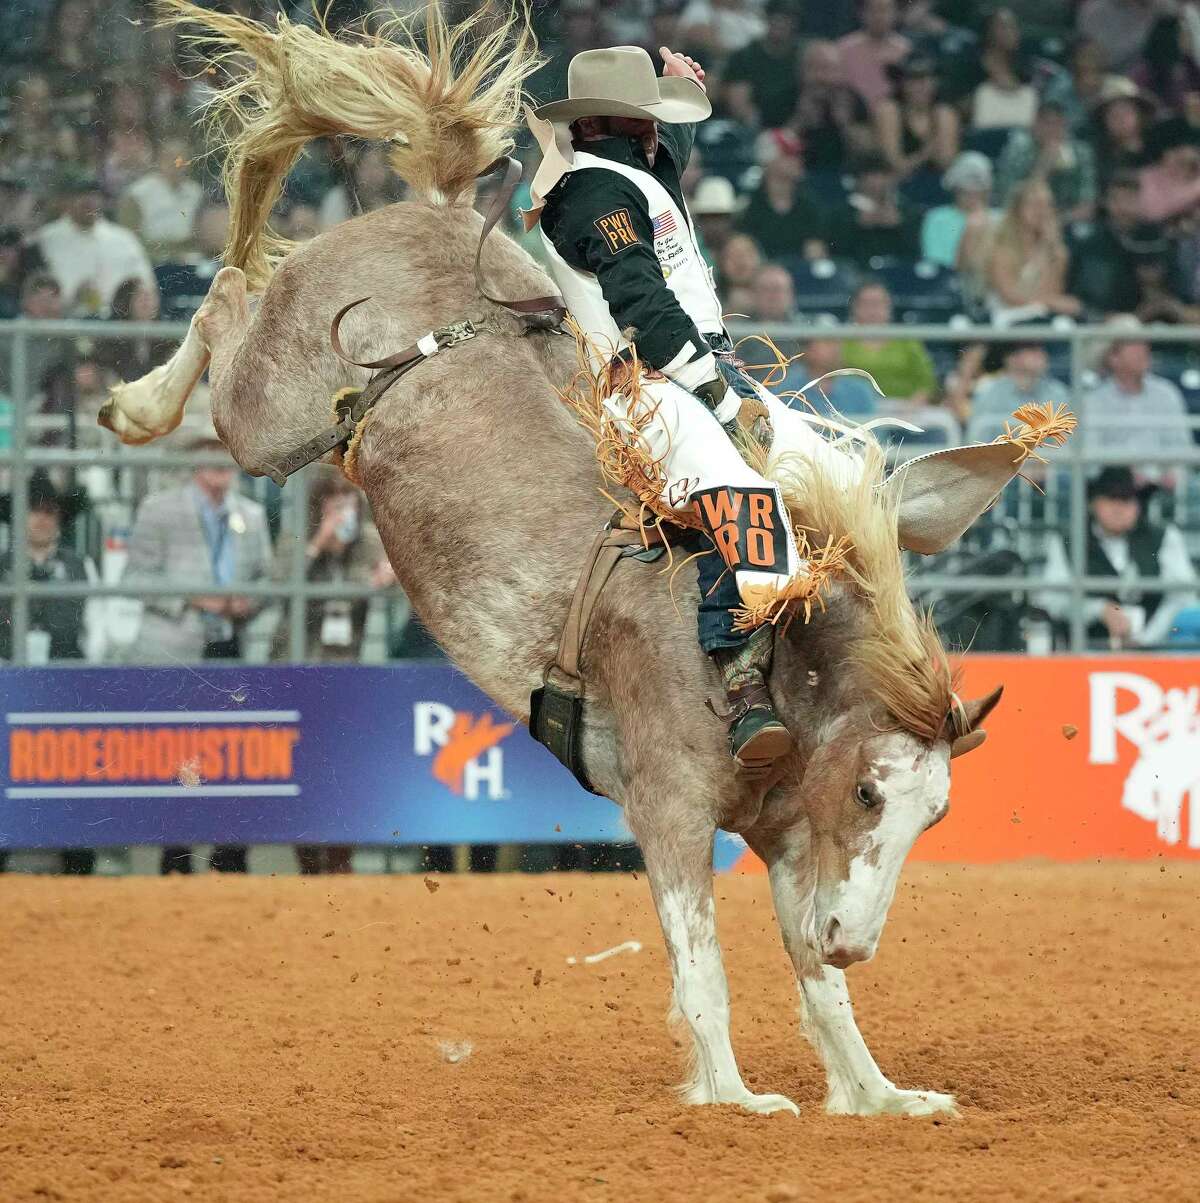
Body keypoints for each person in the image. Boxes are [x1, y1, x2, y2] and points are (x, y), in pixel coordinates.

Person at [528, 43, 860, 769]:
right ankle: (742, 686)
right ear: (620, 124)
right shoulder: (592, 195)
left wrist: (680, 85)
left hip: (696, 366)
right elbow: (639, 299)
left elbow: (668, 146)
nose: (660, 128)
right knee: (735, 488)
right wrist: (713, 391)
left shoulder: (621, 169)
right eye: (650, 114)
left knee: (841, 477)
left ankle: (878, 671)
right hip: (645, 385)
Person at [122, 433, 273, 874]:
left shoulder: (252, 514)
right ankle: (177, 855)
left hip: (231, 642)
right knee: (180, 749)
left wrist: (248, 601)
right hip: (176, 646)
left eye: (227, 455)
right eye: (209, 456)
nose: (220, 464)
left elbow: (267, 580)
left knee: (234, 749)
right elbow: (134, 578)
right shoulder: (159, 509)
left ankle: (229, 854)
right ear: (193, 464)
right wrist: (193, 598)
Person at [272, 471, 396, 874]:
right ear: (317, 507)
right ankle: (306, 861)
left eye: (348, 502)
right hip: (302, 667)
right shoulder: (297, 541)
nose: (342, 511)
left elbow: (392, 579)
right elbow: (276, 591)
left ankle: (342, 859)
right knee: (304, 768)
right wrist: (316, 547)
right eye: (333, 502)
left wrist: (387, 579)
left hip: (348, 672)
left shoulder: (370, 543)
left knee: (348, 769)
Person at [1039, 467, 1199, 649]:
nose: (1118, 508)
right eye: (1110, 499)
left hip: (1158, 647)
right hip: (1088, 648)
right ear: (1093, 503)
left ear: (1138, 505)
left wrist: (1148, 638)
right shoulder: (1067, 540)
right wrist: (1098, 610)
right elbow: (1051, 599)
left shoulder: (1165, 536)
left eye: (1127, 500)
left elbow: (1183, 596)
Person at [0, 469, 94, 664]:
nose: (42, 518)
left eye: (49, 511)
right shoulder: (2, 565)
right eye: (34, 509)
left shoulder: (81, 565)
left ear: (59, 519)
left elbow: (96, 629)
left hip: (68, 673)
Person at [1082, 324, 1193, 484]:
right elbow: (1089, 459)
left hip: (1162, 484)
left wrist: (1173, 475)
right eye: (1133, 345)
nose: (1143, 350)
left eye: (1143, 343)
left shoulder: (1167, 393)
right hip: (1113, 486)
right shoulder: (1093, 400)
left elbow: (1182, 447)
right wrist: (1122, 475)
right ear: (1113, 358)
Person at [33, 173, 155, 317]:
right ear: (66, 201)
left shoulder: (124, 239)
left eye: (94, 196)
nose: (88, 201)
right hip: (61, 323)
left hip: (115, 327)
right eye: (80, 195)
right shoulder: (47, 238)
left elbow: (146, 286)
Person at [1068, 172, 1168, 316]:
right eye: (1116, 200)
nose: (1122, 207)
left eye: (1129, 200)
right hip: (1097, 315)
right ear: (1106, 202)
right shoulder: (1093, 238)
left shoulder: (1154, 237)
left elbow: (1156, 286)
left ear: (1140, 201)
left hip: (1143, 317)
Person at [983, 178, 1081, 323]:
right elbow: (1010, 297)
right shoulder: (1001, 248)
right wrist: (1052, 302)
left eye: (1046, 205)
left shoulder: (1057, 252)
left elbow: (1051, 293)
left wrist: (1048, 249)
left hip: (1039, 316)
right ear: (1017, 209)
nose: (1041, 211)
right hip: (1003, 318)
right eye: (1034, 204)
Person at [995, 101, 1097, 224]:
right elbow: (1009, 201)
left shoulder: (1081, 153)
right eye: (1047, 124)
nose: (1052, 130)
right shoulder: (1018, 151)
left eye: (1058, 124)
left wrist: (1055, 222)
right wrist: (1043, 166)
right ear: (1035, 125)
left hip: (1068, 221)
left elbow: (1087, 204)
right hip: (1024, 221)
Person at [840, 281, 938, 404]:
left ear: (889, 306)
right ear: (854, 307)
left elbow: (927, 382)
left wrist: (912, 406)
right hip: (855, 408)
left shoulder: (906, 339)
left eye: (878, 304)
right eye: (866, 304)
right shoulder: (841, 340)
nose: (872, 311)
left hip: (906, 408)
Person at [736, 130, 826, 261]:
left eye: (798, 155)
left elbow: (816, 252)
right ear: (768, 160)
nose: (799, 160)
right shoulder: (749, 207)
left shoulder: (810, 205)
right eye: (789, 154)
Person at [824, 153, 922, 267]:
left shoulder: (906, 210)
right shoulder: (840, 212)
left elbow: (916, 251)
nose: (878, 181)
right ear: (858, 179)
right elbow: (834, 251)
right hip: (857, 271)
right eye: (872, 176)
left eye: (883, 175)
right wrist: (857, 225)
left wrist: (900, 224)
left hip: (899, 270)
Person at [874, 52, 960, 181]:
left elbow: (947, 162)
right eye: (913, 80)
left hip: (939, 184)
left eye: (926, 79)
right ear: (902, 83)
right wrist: (925, 154)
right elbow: (893, 165)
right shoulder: (889, 111)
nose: (920, 86)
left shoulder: (944, 112)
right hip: (897, 185)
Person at [790, 40, 874, 171]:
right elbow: (770, 146)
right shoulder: (788, 96)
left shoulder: (852, 97)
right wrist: (800, 120)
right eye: (816, 68)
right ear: (803, 70)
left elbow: (867, 149)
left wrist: (845, 124)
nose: (823, 77)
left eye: (831, 68)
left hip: (846, 170)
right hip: (797, 170)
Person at [118, 136, 204, 262]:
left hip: (188, 255)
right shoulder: (139, 192)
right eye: (170, 158)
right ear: (160, 160)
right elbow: (128, 235)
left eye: (181, 159)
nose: (176, 164)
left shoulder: (195, 192)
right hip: (151, 256)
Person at [722, 0, 805, 129]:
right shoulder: (744, 57)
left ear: (795, 23)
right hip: (754, 129)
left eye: (787, 18)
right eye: (775, 17)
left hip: (795, 127)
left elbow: (808, 101)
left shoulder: (803, 57)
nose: (780, 23)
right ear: (766, 18)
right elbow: (739, 106)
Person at [968, 341, 1072, 441]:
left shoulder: (1057, 392)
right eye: (1032, 349)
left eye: (1041, 349)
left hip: (1048, 458)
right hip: (1002, 458)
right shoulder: (989, 393)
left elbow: (1068, 444)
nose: (1041, 353)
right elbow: (978, 445)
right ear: (1012, 358)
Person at [920, 151, 997, 272]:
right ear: (956, 190)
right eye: (965, 192)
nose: (972, 196)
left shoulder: (1000, 218)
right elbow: (936, 261)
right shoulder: (937, 218)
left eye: (977, 191)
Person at [837, 0, 910, 106]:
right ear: (861, 13)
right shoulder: (844, 48)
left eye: (885, 10)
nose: (879, 16)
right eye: (873, 10)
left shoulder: (905, 49)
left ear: (896, 13)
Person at [1132, 13, 1200, 114]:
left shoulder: (1188, 64)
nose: (1188, 38)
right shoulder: (1145, 71)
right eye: (1183, 34)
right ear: (1169, 37)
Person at [1092, 78, 1155, 184]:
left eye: (1126, 111)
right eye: (1113, 114)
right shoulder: (1097, 156)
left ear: (1139, 115)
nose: (1120, 119)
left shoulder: (1156, 150)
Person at [1139, 116, 1200, 223]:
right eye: (1172, 150)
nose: (1181, 154)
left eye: (1185, 146)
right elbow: (1152, 214)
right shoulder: (1145, 178)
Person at [689, 175, 739, 261]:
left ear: (730, 219)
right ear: (698, 220)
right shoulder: (688, 249)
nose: (714, 225)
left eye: (720, 218)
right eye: (708, 218)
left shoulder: (743, 249)